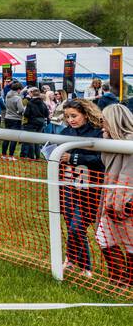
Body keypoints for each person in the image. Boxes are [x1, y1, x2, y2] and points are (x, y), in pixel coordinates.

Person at [57, 99, 106, 277]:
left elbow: (102, 160)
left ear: (85, 114)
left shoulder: (98, 133)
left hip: (91, 188)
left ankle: (77, 261)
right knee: (72, 226)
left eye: (74, 116)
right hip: (68, 186)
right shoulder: (64, 132)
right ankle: (78, 263)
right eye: (67, 116)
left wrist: (74, 158)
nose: (70, 120)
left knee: (78, 226)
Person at [98, 104, 133, 288]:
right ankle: (118, 277)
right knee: (103, 237)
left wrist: (120, 204)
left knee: (130, 242)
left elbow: (128, 176)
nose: (101, 123)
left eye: (104, 119)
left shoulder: (130, 142)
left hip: (126, 201)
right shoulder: (108, 141)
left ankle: (126, 280)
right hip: (111, 198)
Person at [2, 81, 25, 160]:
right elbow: (21, 110)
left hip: (7, 117)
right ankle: (11, 156)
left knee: (7, 137)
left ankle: (4, 155)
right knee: (14, 138)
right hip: (16, 119)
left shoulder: (7, 95)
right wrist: (23, 109)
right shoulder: (18, 98)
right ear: (18, 90)